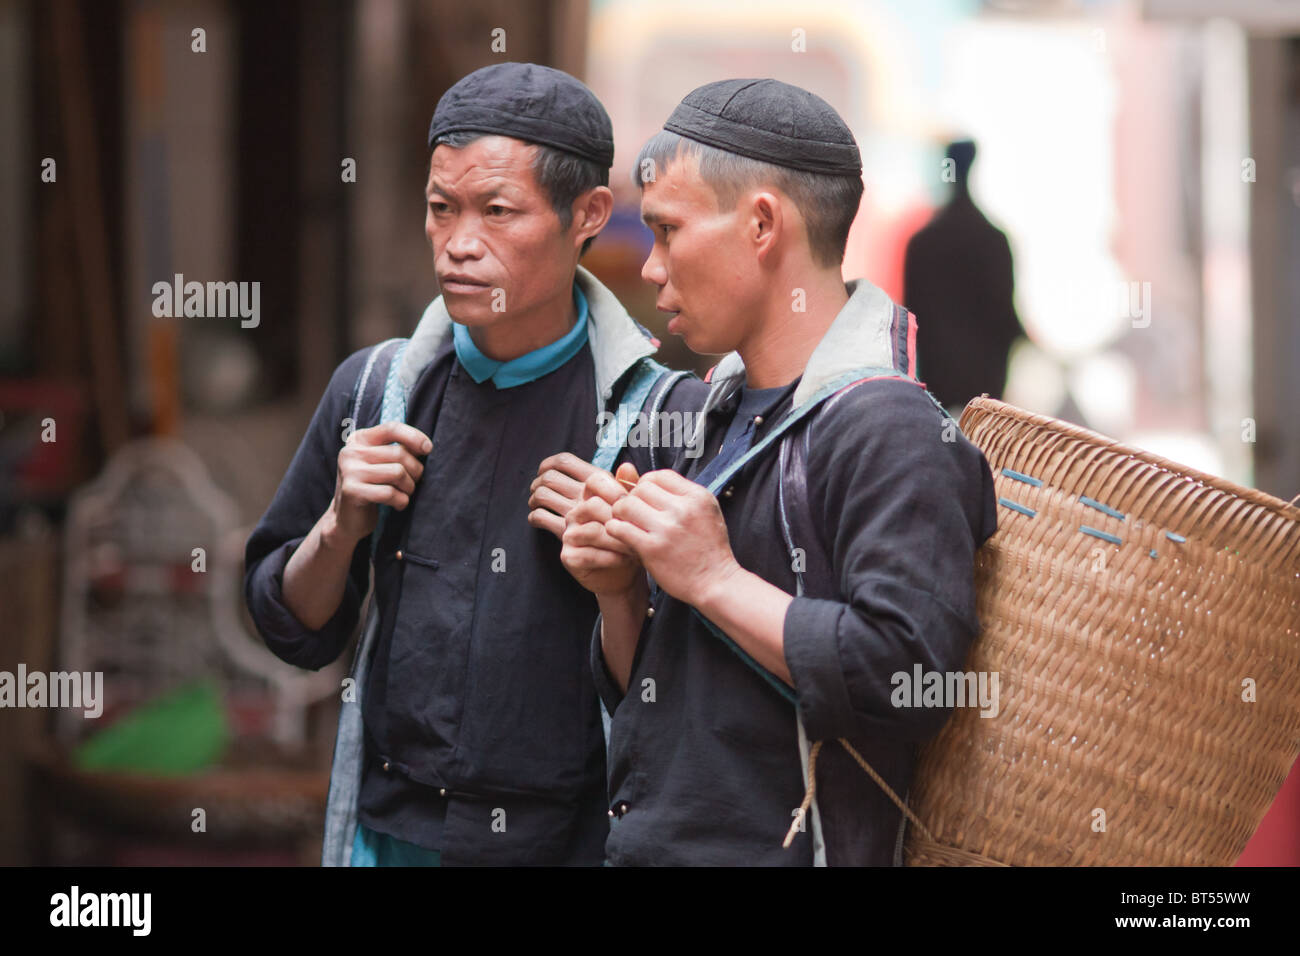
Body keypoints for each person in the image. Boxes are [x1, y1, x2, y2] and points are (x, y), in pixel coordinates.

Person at [243, 62, 703, 866]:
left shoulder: (661, 419)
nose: (459, 244)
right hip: (388, 837)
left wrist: (619, 587)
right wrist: (340, 527)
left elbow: (681, 698)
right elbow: (291, 629)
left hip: (569, 842)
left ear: (587, 214)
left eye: (497, 211)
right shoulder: (376, 390)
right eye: (440, 208)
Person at [560, 79, 999, 865]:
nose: (651, 269)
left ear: (762, 224)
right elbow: (655, 704)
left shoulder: (891, 427)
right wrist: (620, 594)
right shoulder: (702, 415)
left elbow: (909, 677)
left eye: (667, 231)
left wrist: (714, 577)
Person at [903, 139, 1023, 412]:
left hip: (938, 383)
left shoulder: (923, 242)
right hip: (985, 386)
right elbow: (1005, 314)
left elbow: (910, 316)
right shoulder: (993, 240)